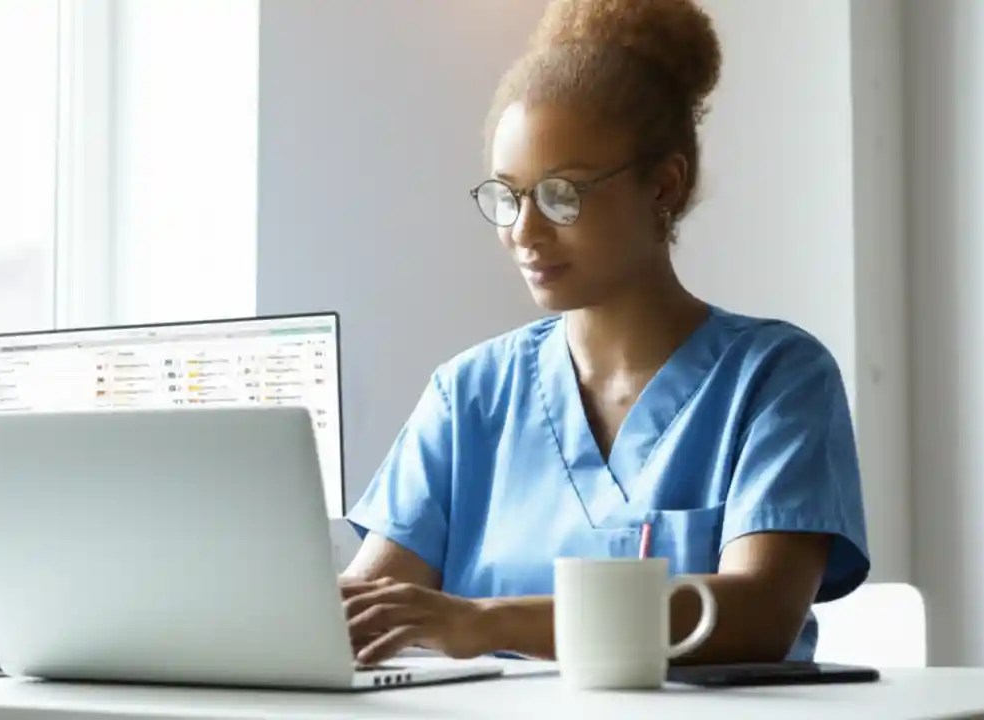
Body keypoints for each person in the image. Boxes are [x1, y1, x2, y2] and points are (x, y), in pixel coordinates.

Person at [341, 0, 869, 667]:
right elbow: (369, 604)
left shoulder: (776, 379)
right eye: (508, 196)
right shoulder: (468, 395)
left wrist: (481, 622)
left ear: (664, 187)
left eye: (562, 195)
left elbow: (758, 613)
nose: (525, 232)